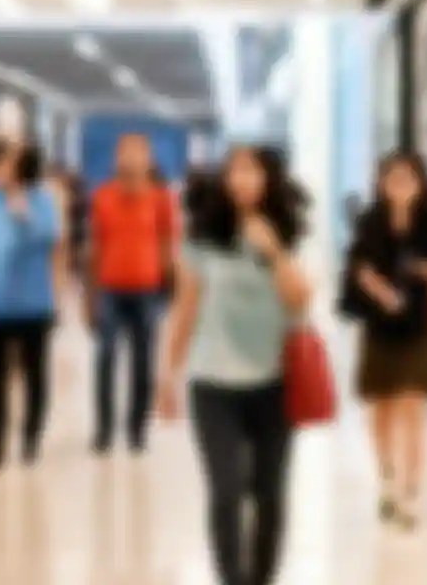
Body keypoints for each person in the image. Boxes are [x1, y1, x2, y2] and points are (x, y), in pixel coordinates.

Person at [158, 146, 311, 585]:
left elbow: (301, 300)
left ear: (269, 179)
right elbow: (185, 306)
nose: (242, 180)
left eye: (252, 170)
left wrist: (275, 251)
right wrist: (168, 372)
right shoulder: (201, 237)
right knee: (225, 491)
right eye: (234, 171)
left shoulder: (288, 232)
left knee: (269, 495)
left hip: (275, 382)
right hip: (213, 383)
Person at [339, 151, 427, 531]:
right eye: (393, 178)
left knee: (412, 406)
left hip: (417, 327)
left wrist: (423, 270)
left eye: (408, 179)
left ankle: (410, 489)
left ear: (420, 184)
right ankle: (387, 475)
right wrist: (382, 291)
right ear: (382, 183)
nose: (400, 186)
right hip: (380, 327)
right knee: (381, 407)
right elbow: (358, 266)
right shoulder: (371, 221)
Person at [88, 134, 179, 454]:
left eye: (137, 154)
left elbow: (168, 244)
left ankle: (137, 429)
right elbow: (95, 247)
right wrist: (91, 296)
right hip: (110, 288)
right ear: (116, 160)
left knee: (143, 362)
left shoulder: (161, 198)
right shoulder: (102, 197)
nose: (129, 161)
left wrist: (171, 286)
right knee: (105, 357)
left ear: (148, 160)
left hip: (147, 289)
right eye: (124, 154)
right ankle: (103, 429)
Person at [0, 143, 61, 469]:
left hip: (33, 305)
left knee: (34, 375)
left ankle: (30, 437)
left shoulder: (42, 200)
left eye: (6, 163)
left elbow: (51, 237)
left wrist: (26, 217)